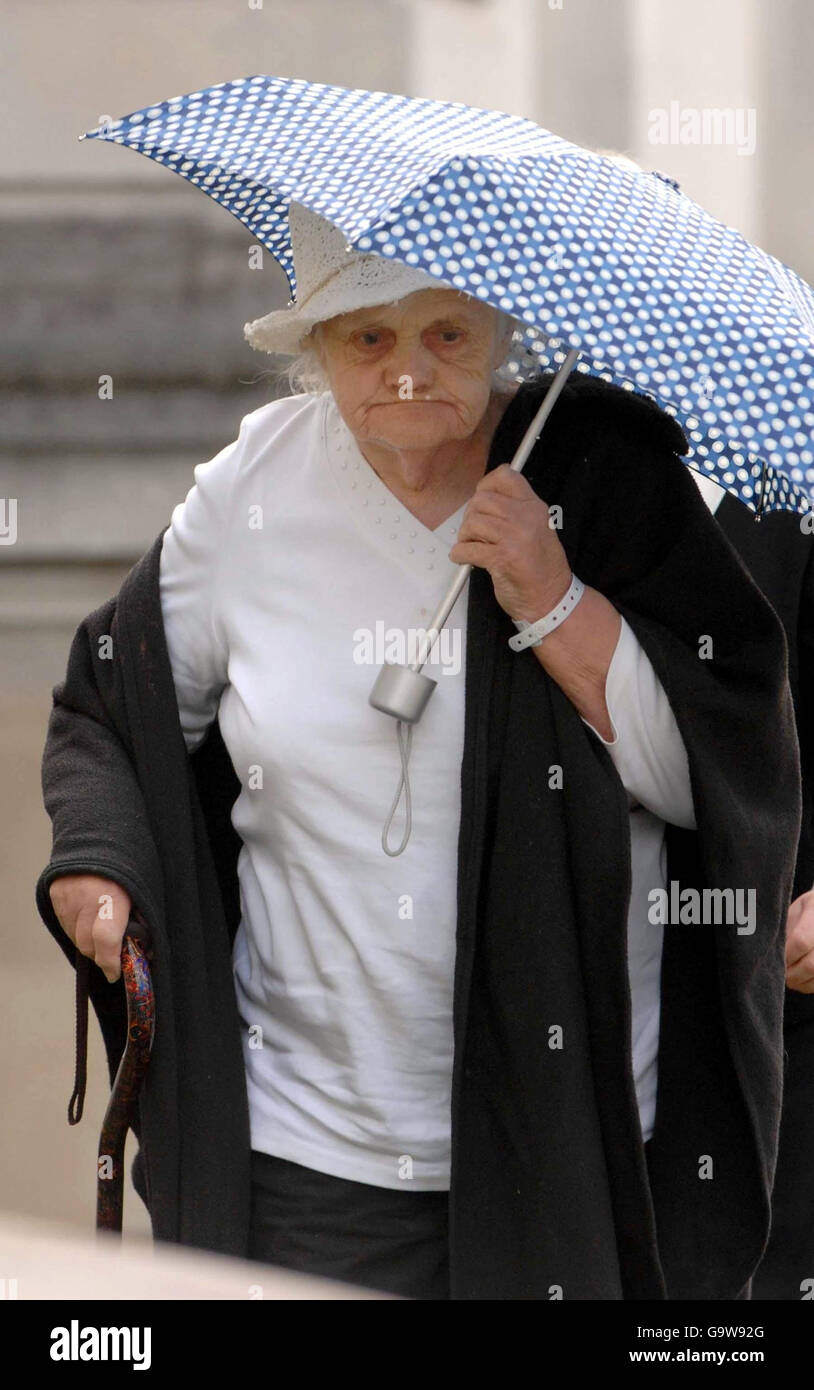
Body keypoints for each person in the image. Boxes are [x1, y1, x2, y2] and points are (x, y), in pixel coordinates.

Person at [37, 202, 801, 1300]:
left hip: (564, 1146)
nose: (405, 371)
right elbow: (111, 705)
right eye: (366, 338)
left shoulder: (600, 471)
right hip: (309, 1156)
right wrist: (100, 858)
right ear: (314, 351)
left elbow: (717, 785)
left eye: (446, 333)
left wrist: (554, 599)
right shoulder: (252, 492)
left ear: (499, 332)